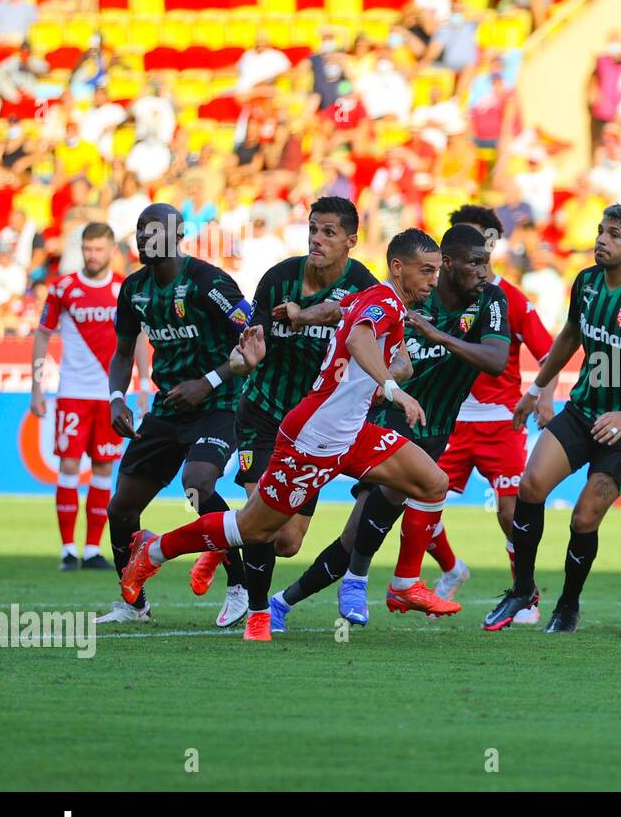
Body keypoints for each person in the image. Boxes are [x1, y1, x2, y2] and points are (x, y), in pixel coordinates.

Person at [117, 229, 450, 642]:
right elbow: (360, 336)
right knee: (256, 531)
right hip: (315, 437)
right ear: (398, 268)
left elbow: (353, 326)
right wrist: (392, 387)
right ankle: (151, 551)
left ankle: (404, 584)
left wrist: (387, 366)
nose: (434, 280)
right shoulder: (381, 301)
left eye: (436, 271)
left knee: (434, 483)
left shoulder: (382, 302)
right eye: (427, 271)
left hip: (352, 434)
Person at [268, 224, 510, 633]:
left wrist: (432, 339)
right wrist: (302, 314)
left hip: (430, 430)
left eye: (486, 262)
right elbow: (348, 311)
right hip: (381, 424)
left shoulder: (487, 301)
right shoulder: (398, 299)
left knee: (358, 534)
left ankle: (283, 601)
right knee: (337, 530)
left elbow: (495, 359)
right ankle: (387, 584)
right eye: (475, 263)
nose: (484, 272)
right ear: (445, 264)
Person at [483, 205, 621, 633]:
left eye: (613, 234)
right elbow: (571, 335)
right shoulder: (587, 282)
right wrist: (537, 387)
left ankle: (568, 607)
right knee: (530, 485)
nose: (601, 240)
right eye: (599, 231)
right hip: (583, 410)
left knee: (584, 517)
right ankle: (522, 589)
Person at [210, 196, 380, 624]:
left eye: (329, 233)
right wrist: (250, 356)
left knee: (287, 541)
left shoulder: (363, 287)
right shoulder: (278, 277)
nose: (317, 240)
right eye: (312, 229)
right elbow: (255, 337)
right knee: (263, 526)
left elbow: (379, 342)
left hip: (313, 426)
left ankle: (220, 538)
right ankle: (257, 613)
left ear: (351, 241)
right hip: (264, 412)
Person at [97, 205, 253, 625]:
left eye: (154, 230)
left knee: (197, 484)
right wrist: (115, 397)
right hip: (169, 407)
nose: (144, 237)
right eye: (139, 230)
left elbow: (256, 336)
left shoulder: (209, 282)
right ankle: (134, 605)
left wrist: (210, 380)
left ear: (177, 234)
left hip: (220, 402)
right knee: (121, 508)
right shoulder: (133, 289)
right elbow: (123, 351)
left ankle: (240, 586)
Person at [426, 205, 556, 623]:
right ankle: (450, 568)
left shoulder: (510, 300)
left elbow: (550, 353)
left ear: (493, 244)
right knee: (415, 503)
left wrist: (543, 395)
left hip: (500, 421)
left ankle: (526, 595)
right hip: (448, 420)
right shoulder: (434, 294)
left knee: (509, 513)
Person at [30, 223, 149, 570]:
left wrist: (142, 385)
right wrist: (38, 387)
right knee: (68, 466)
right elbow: (42, 335)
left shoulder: (124, 289)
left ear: (112, 250)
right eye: (87, 249)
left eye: (98, 249)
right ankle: (68, 549)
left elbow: (139, 338)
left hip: (109, 395)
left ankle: (93, 549)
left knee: (102, 468)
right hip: (72, 392)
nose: (92, 255)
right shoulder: (63, 287)